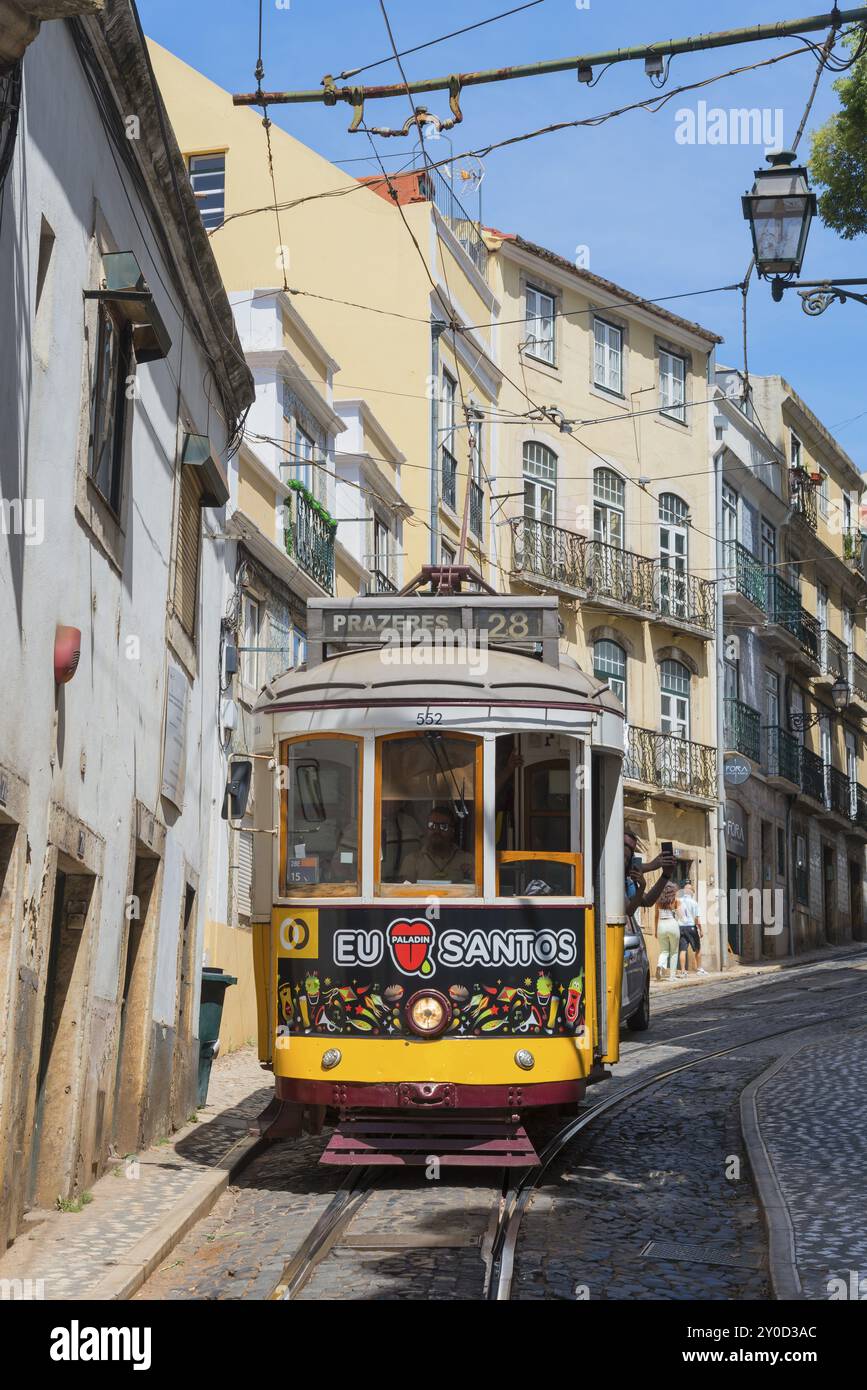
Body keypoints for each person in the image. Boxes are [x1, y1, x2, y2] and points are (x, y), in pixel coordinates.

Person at [398, 805, 474, 884]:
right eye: (432, 825)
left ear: (452, 831)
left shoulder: (467, 860)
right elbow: (404, 893)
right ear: (426, 828)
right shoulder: (412, 861)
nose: (437, 831)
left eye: (443, 826)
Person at [624, 824, 676, 924]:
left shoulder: (627, 880)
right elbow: (629, 911)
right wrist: (651, 866)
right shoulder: (611, 874)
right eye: (625, 845)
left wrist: (665, 875)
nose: (627, 851)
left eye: (631, 849)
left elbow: (647, 901)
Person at [676, 879, 705, 976]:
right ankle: (699, 969)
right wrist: (700, 930)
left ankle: (683, 971)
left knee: (683, 949)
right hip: (691, 927)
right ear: (691, 891)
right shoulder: (694, 903)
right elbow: (697, 919)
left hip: (681, 927)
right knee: (697, 949)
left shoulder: (678, 901)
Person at [654, 882, 681, 982]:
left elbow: (656, 916)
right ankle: (672, 976)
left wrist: (656, 930)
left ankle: (659, 965)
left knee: (664, 950)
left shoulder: (658, 901)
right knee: (674, 951)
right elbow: (680, 915)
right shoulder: (675, 900)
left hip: (661, 925)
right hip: (672, 924)